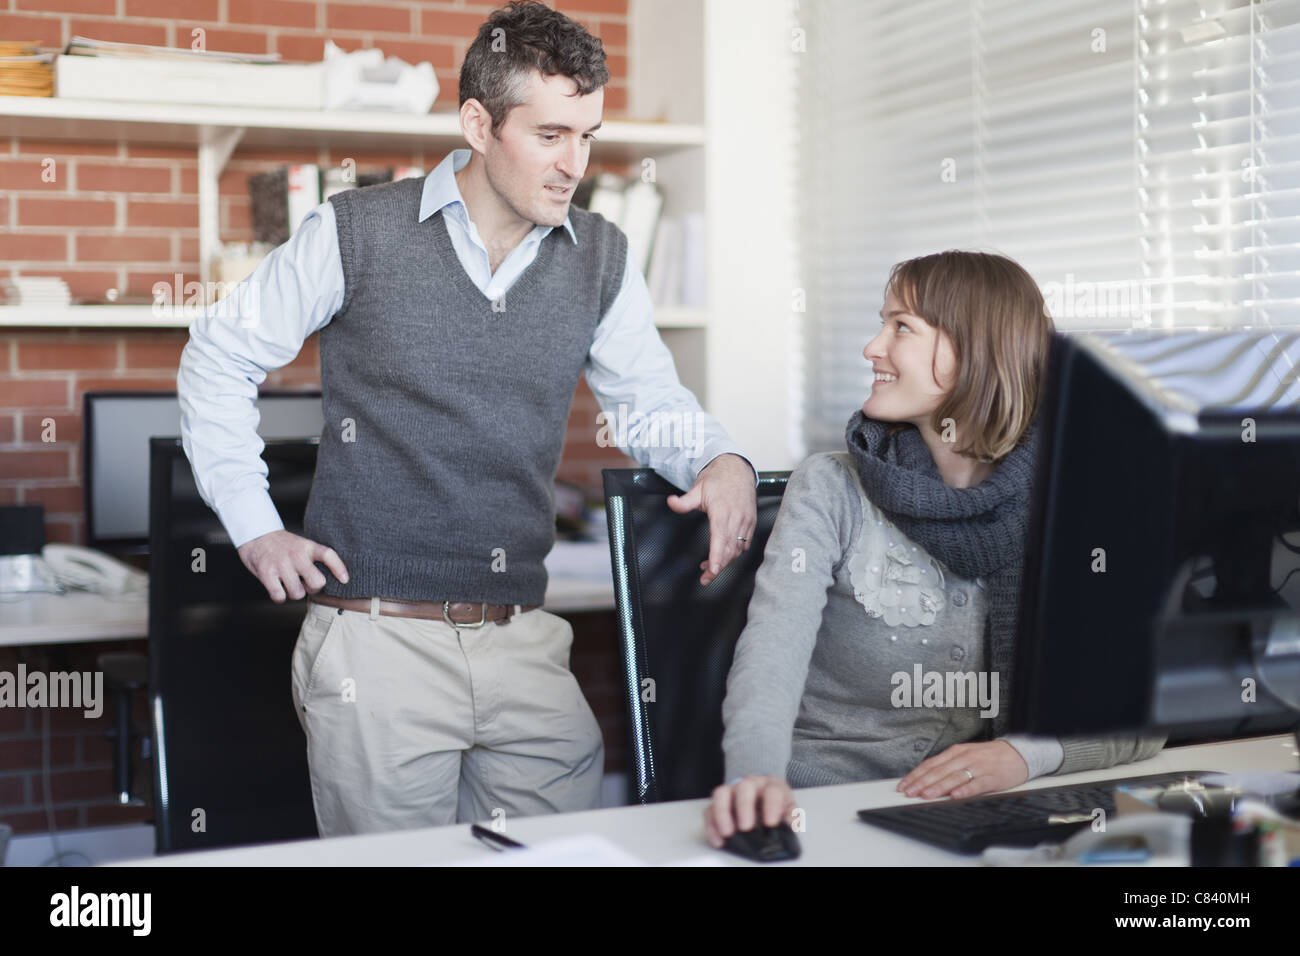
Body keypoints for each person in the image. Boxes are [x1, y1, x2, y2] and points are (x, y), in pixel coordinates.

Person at [178, 0, 758, 837]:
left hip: (522, 638)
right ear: (479, 124)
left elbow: (648, 403)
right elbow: (218, 355)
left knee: (557, 857)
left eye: (588, 136)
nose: (575, 164)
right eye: (551, 135)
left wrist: (719, 460)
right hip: (376, 643)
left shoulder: (598, 256)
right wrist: (254, 525)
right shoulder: (358, 233)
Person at [705, 250, 1166, 846]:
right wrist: (754, 775)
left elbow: (1140, 715)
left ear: (975, 351)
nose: (873, 348)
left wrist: (1023, 755)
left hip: (982, 813)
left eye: (901, 328)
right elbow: (772, 652)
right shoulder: (831, 486)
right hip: (824, 807)